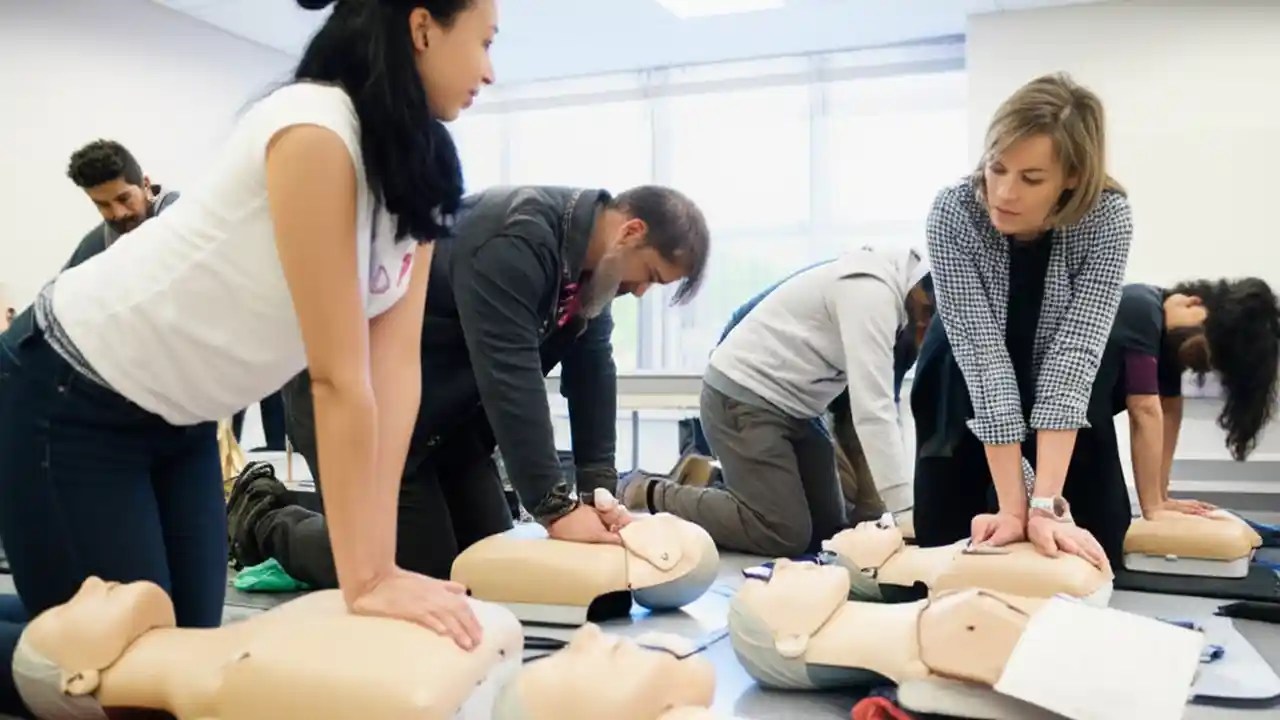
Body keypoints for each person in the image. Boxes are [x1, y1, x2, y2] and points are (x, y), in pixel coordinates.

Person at [0, 1, 498, 714]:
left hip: (181, 422)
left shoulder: (419, 175)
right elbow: (337, 376)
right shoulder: (317, 129)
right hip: (70, 393)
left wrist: (381, 567)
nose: (489, 69)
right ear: (422, 27)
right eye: (484, 41)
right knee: (119, 681)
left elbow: (393, 376)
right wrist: (366, 576)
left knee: (193, 668)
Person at [226, 184, 711, 588]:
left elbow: (593, 377)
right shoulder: (515, 239)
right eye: (649, 275)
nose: (642, 291)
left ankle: (345, 522)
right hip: (373, 412)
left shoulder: (594, 278)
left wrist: (598, 491)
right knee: (417, 572)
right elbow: (510, 376)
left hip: (447, 425)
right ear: (631, 232)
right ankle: (261, 517)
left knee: (484, 562)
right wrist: (554, 507)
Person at [911, 72, 1131, 571]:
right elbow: (984, 360)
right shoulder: (954, 212)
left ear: (1072, 177)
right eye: (997, 168)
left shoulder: (1107, 218)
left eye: (1031, 179)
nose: (1004, 193)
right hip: (964, 373)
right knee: (954, 536)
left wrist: (1043, 505)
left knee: (1089, 533)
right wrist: (1013, 506)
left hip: (1062, 381)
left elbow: (1074, 358)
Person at [618, 243, 932, 557]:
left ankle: (733, 488)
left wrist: (884, 511)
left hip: (800, 408)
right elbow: (872, 411)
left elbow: (871, 411)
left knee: (829, 532)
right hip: (744, 396)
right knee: (782, 533)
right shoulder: (871, 295)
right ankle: (649, 492)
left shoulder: (902, 303)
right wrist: (904, 513)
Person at [1102, 279, 1280, 519]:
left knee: (1110, 514)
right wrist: (1153, 506)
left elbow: (1169, 412)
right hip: (1050, 422)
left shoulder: (1166, 344)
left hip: (1081, 425)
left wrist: (1161, 496)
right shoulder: (1141, 308)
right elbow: (1144, 408)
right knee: (1108, 514)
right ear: (1193, 303)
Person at [62, 139, 182, 271]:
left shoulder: (184, 215)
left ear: (146, 185)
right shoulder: (96, 244)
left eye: (124, 199)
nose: (118, 213)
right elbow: (54, 289)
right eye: (103, 205)